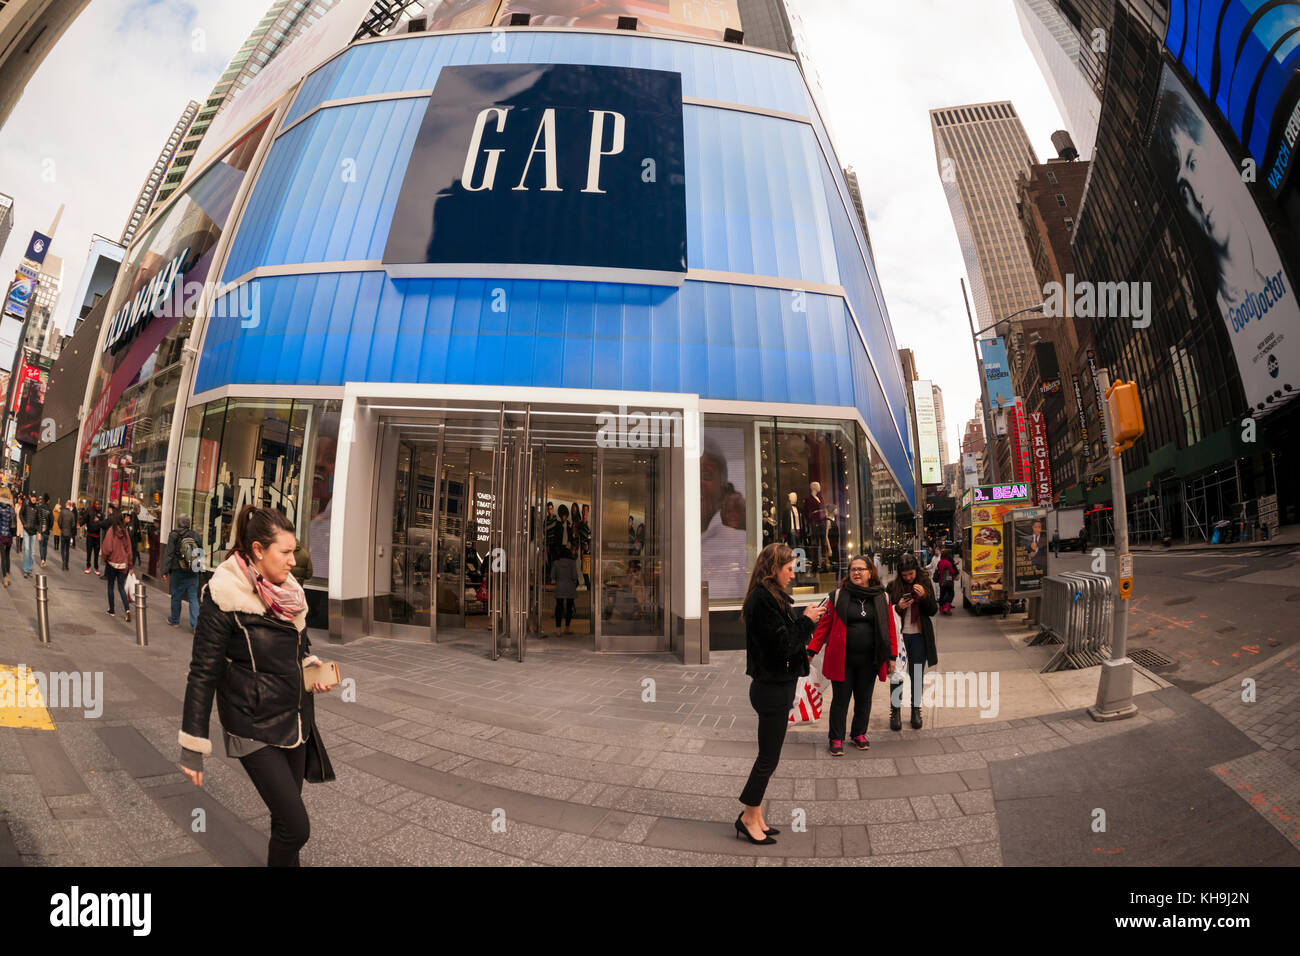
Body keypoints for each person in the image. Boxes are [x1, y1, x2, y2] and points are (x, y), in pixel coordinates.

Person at [179, 505, 336, 867]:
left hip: (294, 720)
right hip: (251, 725)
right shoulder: (223, 596)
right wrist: (192, 745)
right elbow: (203, 672)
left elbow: (301, 646)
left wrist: (311, 669)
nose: (292, 561)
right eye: (284, 552)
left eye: (293, 551)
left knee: (284, 821)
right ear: (257, 550)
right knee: (297, 828)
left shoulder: (289, 592)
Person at [736, 543, 826, 845]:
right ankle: (748, 817)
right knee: (768, 759)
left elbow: (785, 643)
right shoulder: (763, 600)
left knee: (769, 757)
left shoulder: (771, 597)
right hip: (770, 689)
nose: (792, 574)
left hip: (777, 686)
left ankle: (756, 814)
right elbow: (782, 645)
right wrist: (807, 621)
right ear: (773, 568)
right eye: (789, 569)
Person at [807, 555, 896, 755]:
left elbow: (890, 628)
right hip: (843, 660)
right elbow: (823, 627)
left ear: (870, 572)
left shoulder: (882, 597)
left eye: (861, 569)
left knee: (864, 699)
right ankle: (836, 738)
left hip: (870, 660)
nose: (856, 572)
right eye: (853, 569)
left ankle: (859, 734)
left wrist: (892, 657)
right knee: (841, 699)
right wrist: (811, 651)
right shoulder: (838, 596)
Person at [888, 552, 939, 729]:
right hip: (900, 637)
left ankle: (915, 710)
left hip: (919, 636)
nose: (909, 578)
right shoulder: (893, 586)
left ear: (916, 571)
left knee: (917, 675)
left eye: (911, 574)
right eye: (905, 575)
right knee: (897, 676)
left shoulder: (925, 583)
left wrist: (924, 596)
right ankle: (895, 712)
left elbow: (933, 610)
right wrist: (898, 607)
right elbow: (886, 614)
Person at [162, 513, 202, 629]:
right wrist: (199, 570)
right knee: (193, 597)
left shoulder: (174, 535)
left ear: (178, 522)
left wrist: (164, 571)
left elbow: (169, 554)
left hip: (177, 570)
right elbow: (200, 553)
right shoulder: (196, 535)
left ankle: (175, 620)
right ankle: (196, 626)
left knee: (176, 595)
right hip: (193, 571)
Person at [101, 511, 134, 620]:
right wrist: (130, 565)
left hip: (112, 563)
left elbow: (107, 548)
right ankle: (127, 610)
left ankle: (112, 610)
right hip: (123, 564)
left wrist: (105, 558)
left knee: (110, 585)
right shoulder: (125, 532)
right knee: (121, 588)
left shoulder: (111, 530)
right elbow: (129, 549)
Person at [551, 543, 579, 637]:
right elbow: (574, 576)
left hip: (560, 587)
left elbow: (552, 576)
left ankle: (558, 629)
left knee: (559, 607)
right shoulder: (572, 563)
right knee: (569, 608)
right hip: (570, 587)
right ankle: (567, 628)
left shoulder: (556, 563)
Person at [0, 488, 20, 588]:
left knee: (2, 556)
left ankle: (5, 578)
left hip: (1, 535)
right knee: (7, 556)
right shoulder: (11, 508)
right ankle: (8, 574)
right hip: (9, 536)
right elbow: (14, 521)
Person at [934, 548, 957, 615]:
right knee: (951, 594)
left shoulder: (939, 562)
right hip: (948, 581)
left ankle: (941, 609)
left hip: (941, 581)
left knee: (942, 595)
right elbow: (952, 571)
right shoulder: (948, 563)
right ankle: (947, 608)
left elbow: (938, 570)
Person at [58, 499, 78, 571]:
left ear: (66, 505)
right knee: (67, 550)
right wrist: (70, 530)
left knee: (62, 548)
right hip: (69, 533)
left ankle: (63, 560)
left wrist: (61, 528)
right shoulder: (72, 514)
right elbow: (73, 524)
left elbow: (59, 521)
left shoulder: (62, 512)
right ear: (70, 506)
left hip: (63, 532)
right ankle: (66, 565)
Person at [84, 501, 103, 575]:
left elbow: (103, 522)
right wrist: (80, 524)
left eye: (99, 504)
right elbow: (85, 519)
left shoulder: (101, 513)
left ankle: (96, 568)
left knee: (96, 553)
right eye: (97, 504)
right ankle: (88, 566)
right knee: (89, 552)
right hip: (90, 535)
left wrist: (99, 520)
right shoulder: (89, 511)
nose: (98, 505)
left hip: (97, 536)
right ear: (94, 504)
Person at [35, 494, 52, 568]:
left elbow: (37, 518)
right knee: (45, 546)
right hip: (47, 531)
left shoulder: (39, 507)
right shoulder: (50, 509)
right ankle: (44, 560)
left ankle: (42, 559)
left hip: (40, 530)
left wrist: (37, 528)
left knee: (41, 546)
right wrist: (50, 528)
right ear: (48, 500)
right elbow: (52, 520)